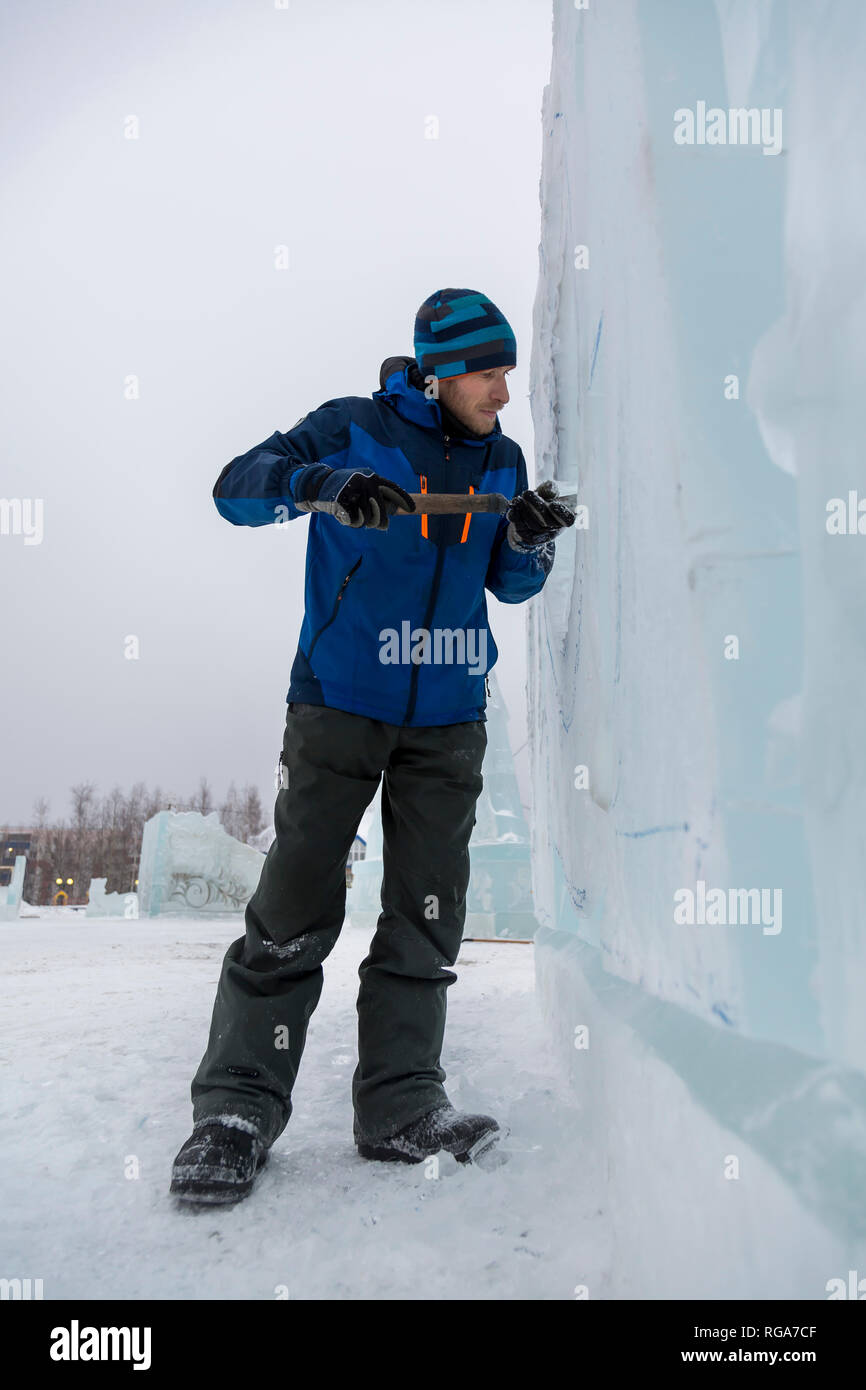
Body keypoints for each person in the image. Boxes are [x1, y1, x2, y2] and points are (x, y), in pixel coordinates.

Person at [170, 288, 574, 1205]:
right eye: (486, 370)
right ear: (436, 370)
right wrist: (322, 485)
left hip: (447, 713)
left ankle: (400, 1106)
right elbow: (238, 487)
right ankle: (234, 1112)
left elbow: (507, 586)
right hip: (340, 700)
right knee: (294, 911)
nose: (502, 390)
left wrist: (529, 540)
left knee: (427, 917)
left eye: (507, 370)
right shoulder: (352, 427)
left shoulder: (501, 458)